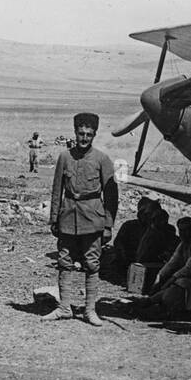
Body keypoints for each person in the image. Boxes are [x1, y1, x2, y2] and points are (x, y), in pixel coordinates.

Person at [47, 112, 118, 326]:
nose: (84, 138)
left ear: (94, 135)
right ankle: (64, 308)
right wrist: (54, 218)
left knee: (92, 263)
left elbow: (112, 196)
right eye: (80, 133)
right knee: (64, 261)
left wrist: (108, 225)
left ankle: (89, 310)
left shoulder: (102, 159)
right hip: (68, 215)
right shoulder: (65, 157)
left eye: (88, 134)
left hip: (92, 217)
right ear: (75, 133)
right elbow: (57, 189)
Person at [138, 217, 191, 319]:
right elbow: (172, 263)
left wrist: (172, 278)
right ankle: (151, 302)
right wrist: (160, 276)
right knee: (166, 282)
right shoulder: (183, 244)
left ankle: (155, 303)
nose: (182, 234)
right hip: (184, 278)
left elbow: (190, 268)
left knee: (177, 286)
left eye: (186, 230)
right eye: (181, 231)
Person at [106, 197, 158, 273]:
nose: (148, 217)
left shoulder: (161, 229)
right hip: (129, 262)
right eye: (146, 214)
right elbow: (118, 244)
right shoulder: (129, 226)